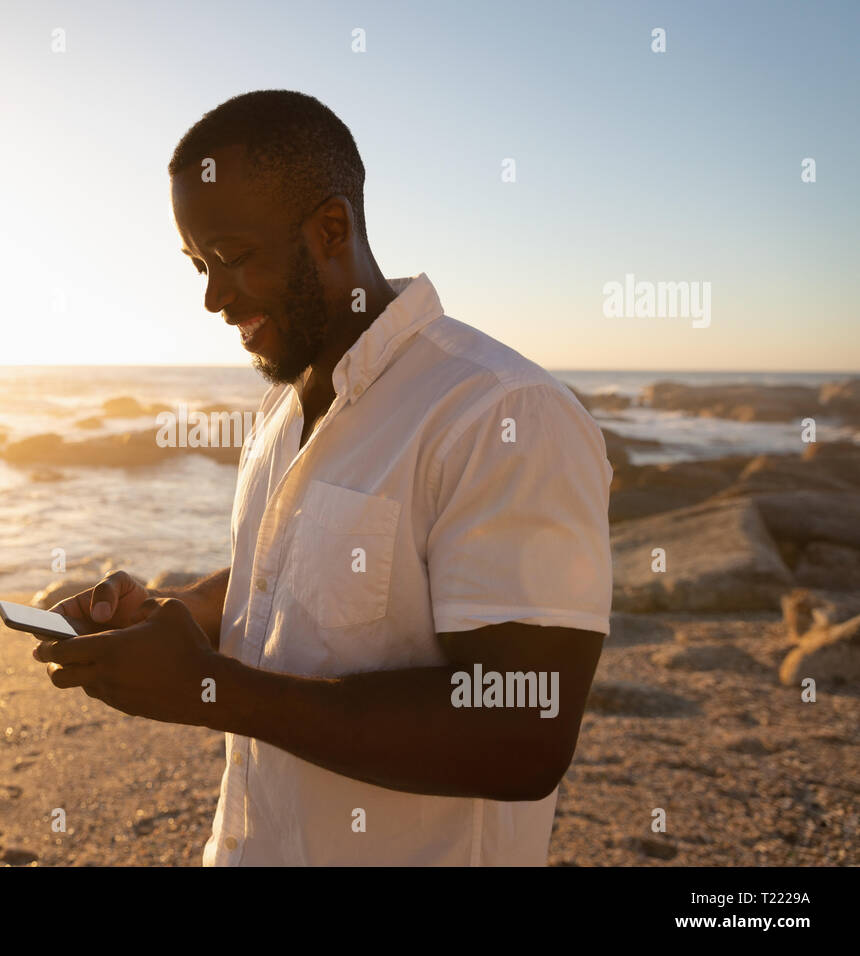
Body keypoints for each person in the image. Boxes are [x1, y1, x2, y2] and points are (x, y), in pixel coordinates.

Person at [34, 89, 612, 866]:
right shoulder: (285, 407)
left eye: (232, 257)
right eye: (198, 264)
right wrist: (178, 617)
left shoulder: (501, 413)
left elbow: (525, 731)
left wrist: (207, 690)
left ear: (330, 229)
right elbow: (307, 569)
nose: (211, 297)